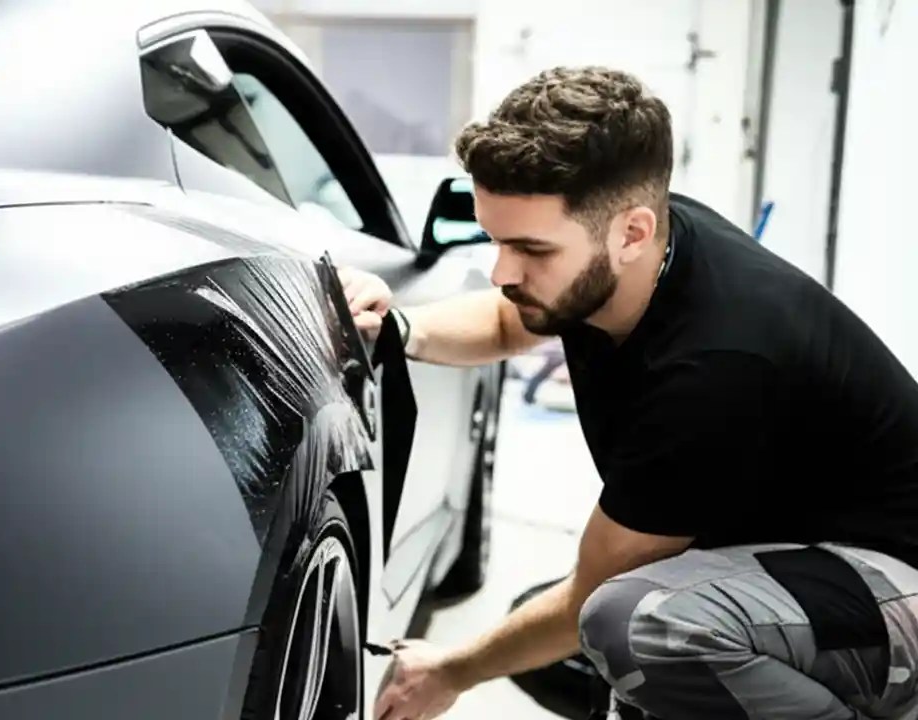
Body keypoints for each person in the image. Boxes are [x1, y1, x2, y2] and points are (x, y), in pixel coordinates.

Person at [341, 65, 918, 720]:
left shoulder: (712, 365)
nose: (504, 271)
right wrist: (398, 329)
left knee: (631, 623)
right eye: (497, 241)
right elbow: (509, 318)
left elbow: (597, 589)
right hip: (802, 571)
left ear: (632, 233)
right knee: (568, 645)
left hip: (893, 589)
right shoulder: (632, 254)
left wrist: (452, 669)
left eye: (531, 249)